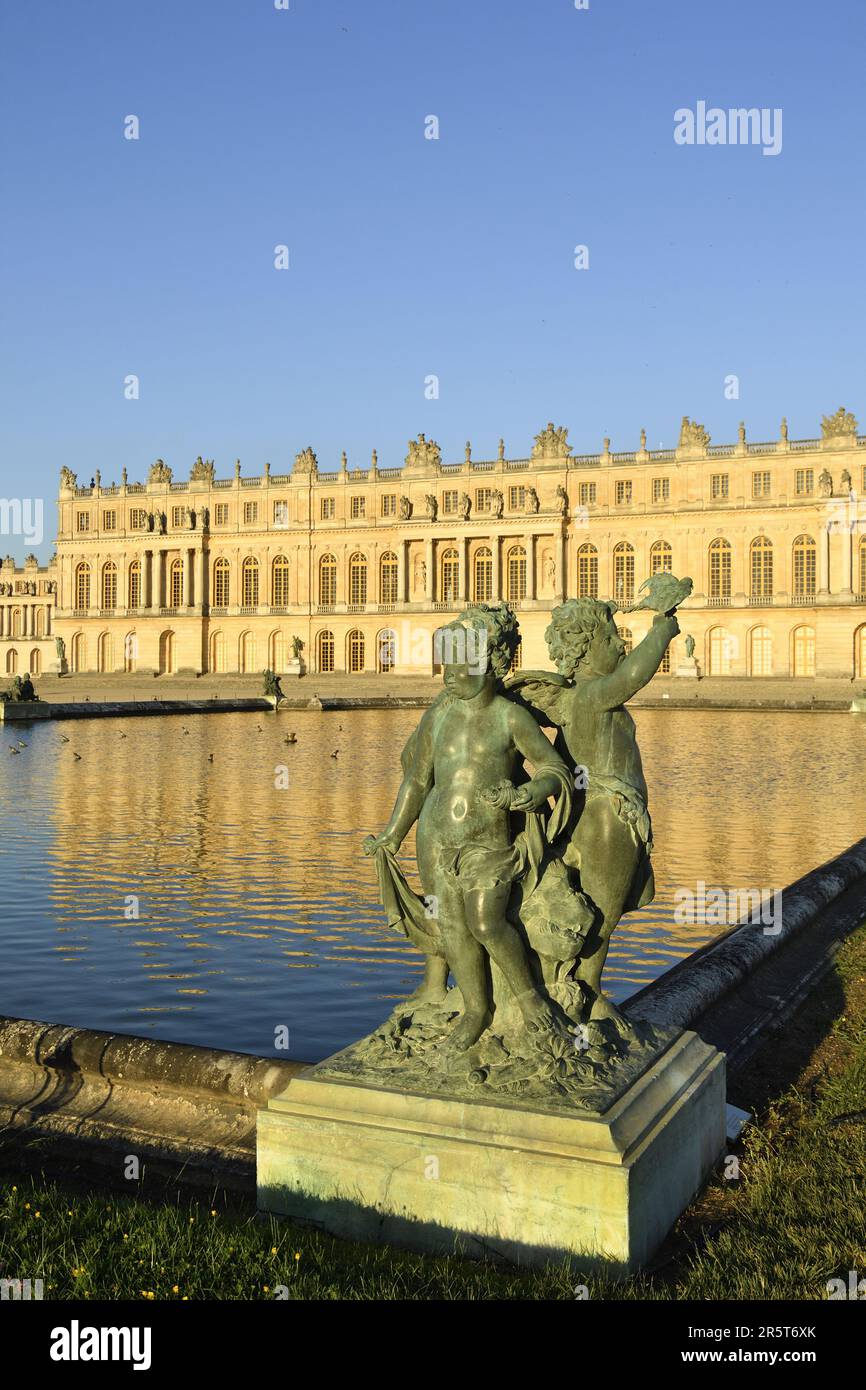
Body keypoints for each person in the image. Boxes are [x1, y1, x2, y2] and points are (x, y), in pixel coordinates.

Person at [364, 603, 572, 1050]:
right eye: (448, 663)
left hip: (488, 842)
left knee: (486, 920)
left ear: (495, 663)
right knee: (454, 927)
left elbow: (554, 767)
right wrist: (393, 834)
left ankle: (530, 998)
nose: (451, 673)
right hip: (435, 839)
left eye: (464, 664)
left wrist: (528, 794)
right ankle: (476, 1010)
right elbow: (418, 780)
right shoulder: (439, 715)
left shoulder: (511, 716)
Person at [508, 597, 679, 1029]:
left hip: (589, 812)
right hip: (607, 818)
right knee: (604, 912)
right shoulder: (590, 695)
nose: (621, 647)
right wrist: (662, 627)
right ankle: (588, 993)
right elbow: (633, 676)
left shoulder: (575, 700)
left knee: (589, 907)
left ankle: (565, 986)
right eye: (613, 638)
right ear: (587, 647)